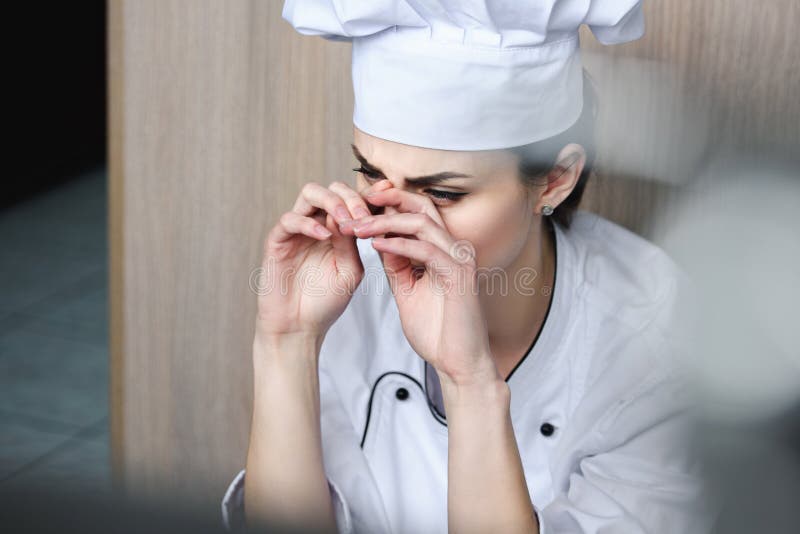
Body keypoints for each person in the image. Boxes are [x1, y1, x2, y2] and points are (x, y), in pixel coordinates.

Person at [222, 1, 718, 533]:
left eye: (443, 192)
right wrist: (287, 342)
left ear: (555, 179)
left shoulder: (655, 337)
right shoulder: (343, 285)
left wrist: (471, 382)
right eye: (371, 173)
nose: (397, 219)